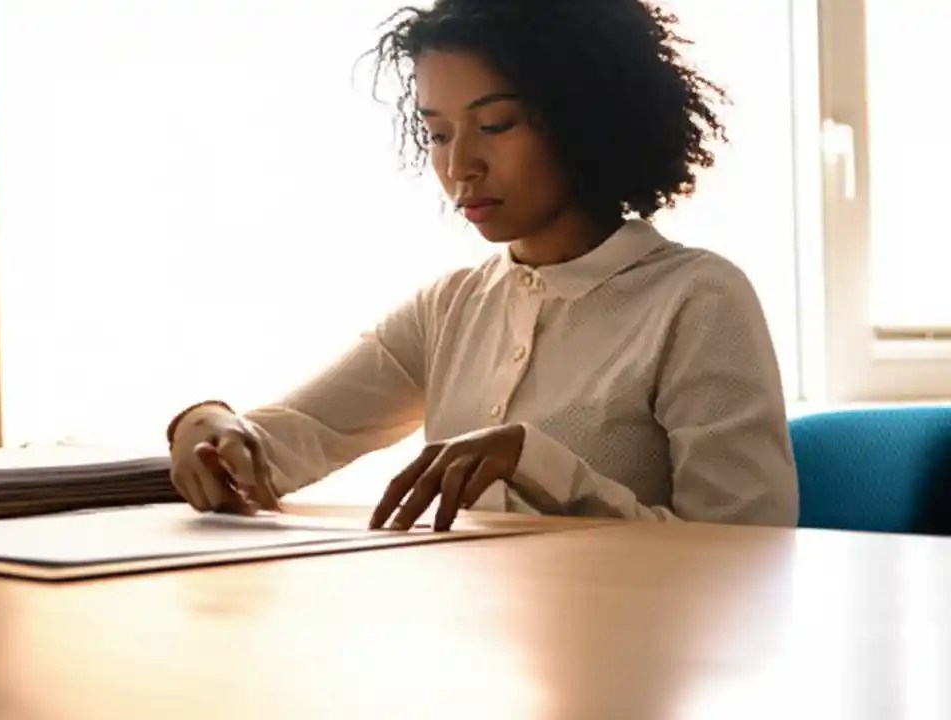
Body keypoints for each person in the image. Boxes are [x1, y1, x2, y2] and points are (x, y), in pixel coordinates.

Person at [165, 0, 799, 531]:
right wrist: (210, 425)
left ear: (589, 119)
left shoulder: (697, 299)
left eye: (495, 124)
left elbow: (750, 549)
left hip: (635, 664)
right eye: (438, 134)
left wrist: (537, 464)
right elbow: (294, 434)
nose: (458, 165)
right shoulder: (450, 308)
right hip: (473, 653)